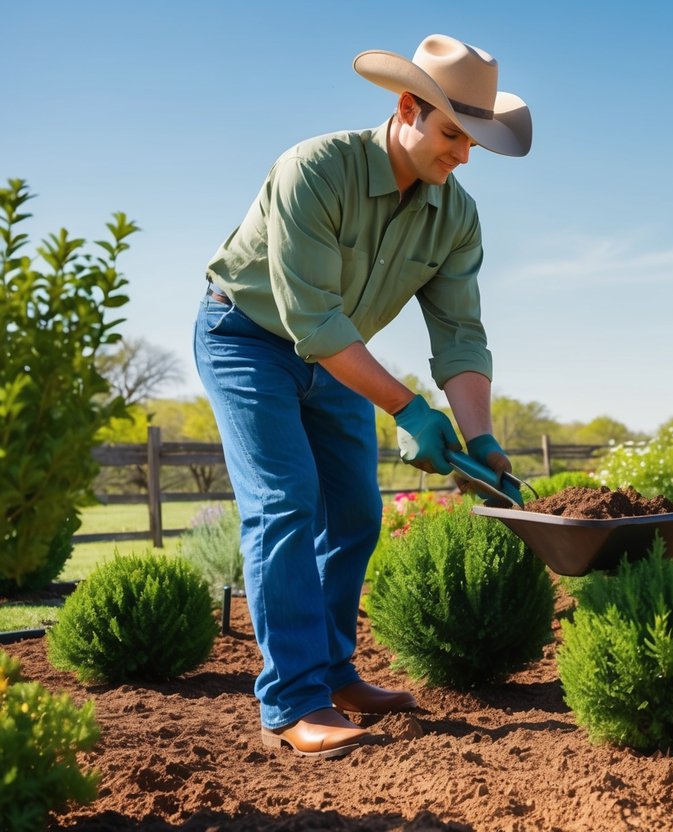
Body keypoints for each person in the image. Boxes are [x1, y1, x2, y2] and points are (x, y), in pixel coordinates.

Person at [194, 34, 531, 759]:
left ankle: (335, 672)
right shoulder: (314, 169)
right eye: (450, 135)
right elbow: (310, 320)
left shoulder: (455, 215)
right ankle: (291, 703)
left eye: (471, 141)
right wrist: (407, 407)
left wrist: (480, 440)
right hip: (249, 338)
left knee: (353, 513)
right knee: (284, 502)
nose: (462, 156)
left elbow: (461, 335)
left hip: (340, 359)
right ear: (406, 108)